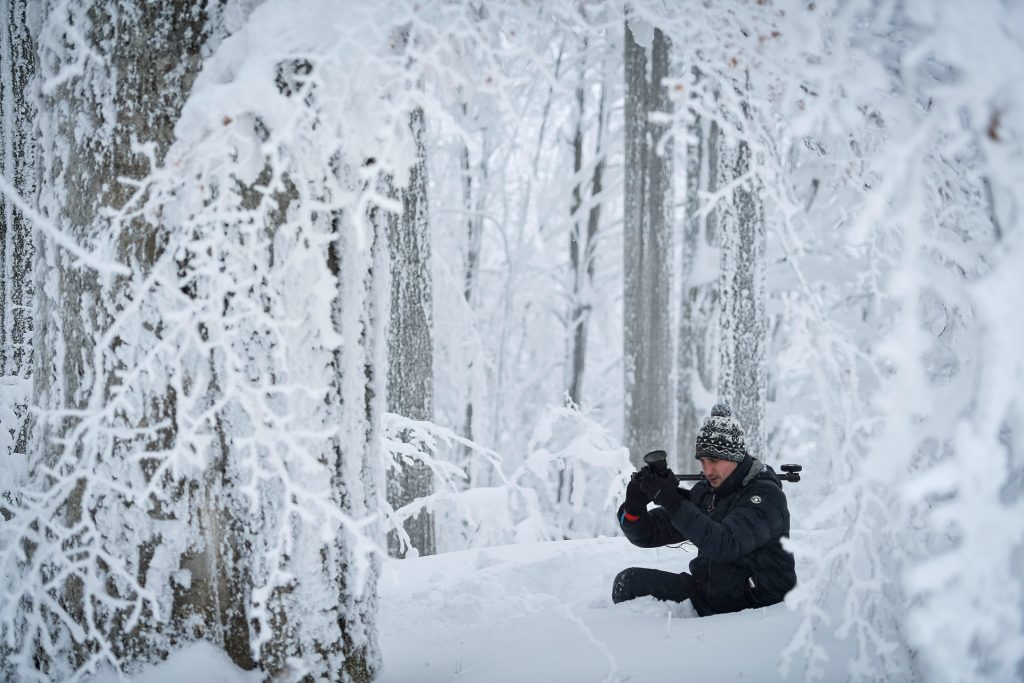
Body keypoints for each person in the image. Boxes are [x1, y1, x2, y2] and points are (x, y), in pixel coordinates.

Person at [612, 403, 796, 615]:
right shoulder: (708, 492)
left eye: (715, 460)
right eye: (703, 461)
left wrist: (672, 500)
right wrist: (634, 507)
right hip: (708, 592)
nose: (708, 470)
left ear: (735, 456)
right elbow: (649, 535)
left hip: (754, 603)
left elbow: (725, 544)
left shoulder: (765, 496)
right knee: (627, 584)